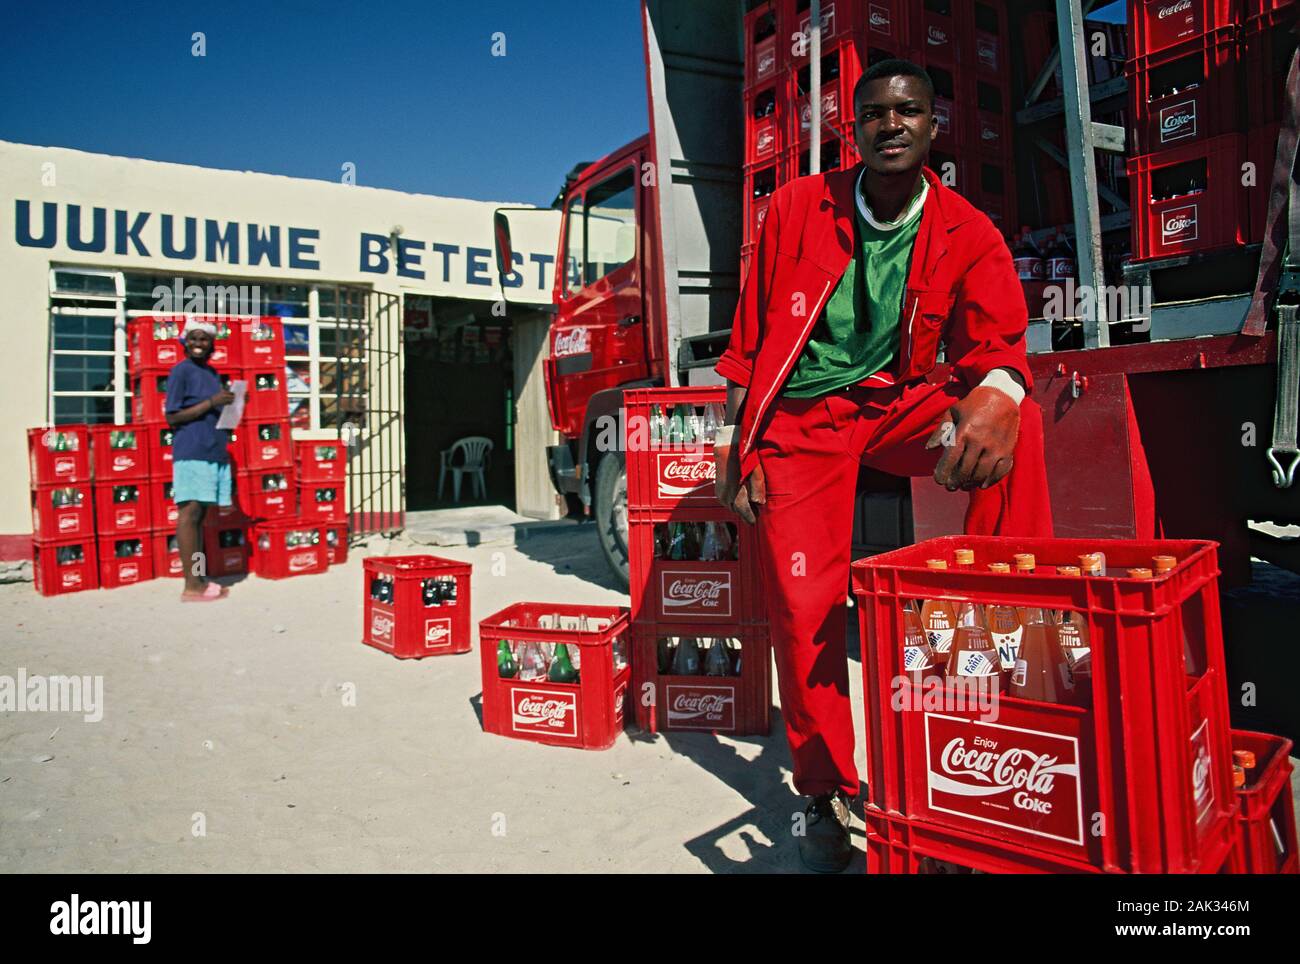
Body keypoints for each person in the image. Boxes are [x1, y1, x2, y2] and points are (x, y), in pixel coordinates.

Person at [712, 59, 1054, 873]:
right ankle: (823, 788)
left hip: (901, 407)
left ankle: (1005, 630)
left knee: (1021, 423)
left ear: (934, 127)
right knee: (805, 606)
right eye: (873, 114)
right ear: (854, 129)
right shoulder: (796, 207)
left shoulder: (969, 229)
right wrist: (736, 444)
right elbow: (749, 340)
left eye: (907, 112)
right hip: (800, 418)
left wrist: (998, 394)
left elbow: (999, 347)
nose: (890, 124)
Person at [165, 320, 236, 601]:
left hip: (212, 449)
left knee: (200, 517)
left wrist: (231, 407)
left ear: (212, 344)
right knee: (189, 514)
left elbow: (214, 411)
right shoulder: (180, 372)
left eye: (204, 339)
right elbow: (172, 417)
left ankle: (199, 578)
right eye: (193, 338)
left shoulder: (211, 372)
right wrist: (212, 402)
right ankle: (191, 585)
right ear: (184, 342)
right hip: (192, 449)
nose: (198, 342)